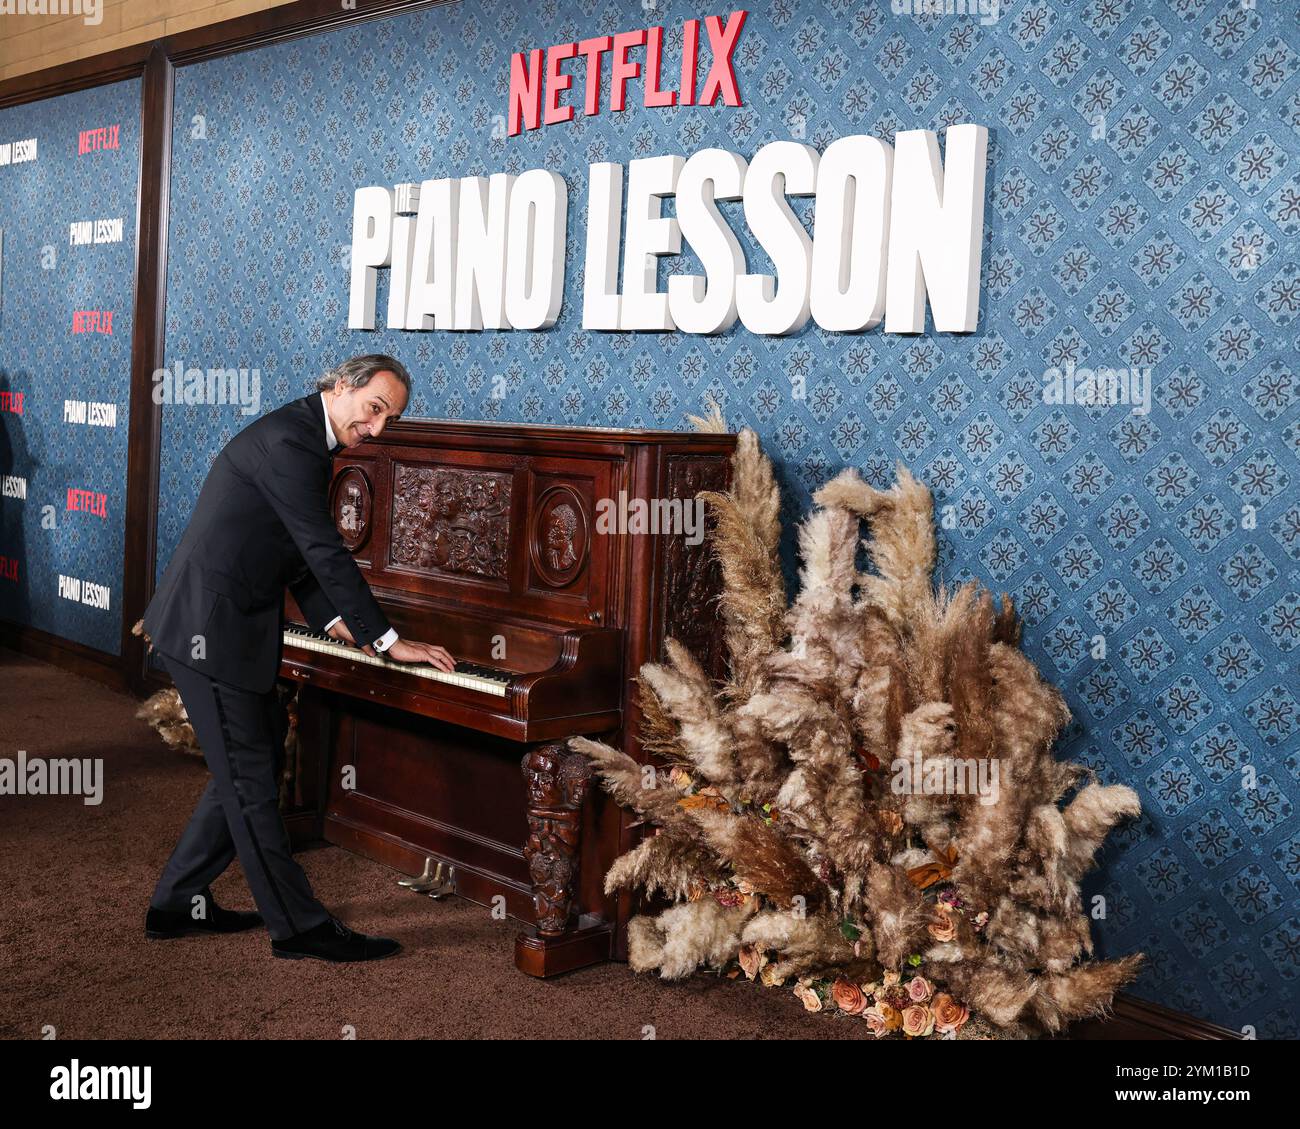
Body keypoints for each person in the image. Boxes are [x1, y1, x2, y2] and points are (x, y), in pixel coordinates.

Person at [141, 354, 454, 962]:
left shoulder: (306, 438)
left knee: (248, 766)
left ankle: (176, 902)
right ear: (341, 386)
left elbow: (293, 549)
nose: (378, 430)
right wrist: (386, 640)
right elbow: (323, 549)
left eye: (390, 418)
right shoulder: (292, 443)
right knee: (252, 784)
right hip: (211, 631)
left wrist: (335, 622)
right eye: (375, 409)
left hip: (230, 625)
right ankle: (299, 928)